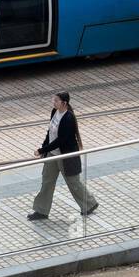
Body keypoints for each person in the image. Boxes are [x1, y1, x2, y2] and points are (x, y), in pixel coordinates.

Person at [28, 91, 98, 220]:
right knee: (47, 182)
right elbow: (50, 133)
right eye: (53, 100)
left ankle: (89, 204)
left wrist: (42, 149)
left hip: (66, 157)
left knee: (74, 183)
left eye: (56, 101)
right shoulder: (54, 112)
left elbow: (60, 140)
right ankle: (41, 211)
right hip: (52, 155)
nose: (53, 103)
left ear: (64, 103)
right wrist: (44, 149)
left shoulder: (68, 118)